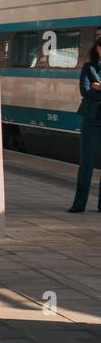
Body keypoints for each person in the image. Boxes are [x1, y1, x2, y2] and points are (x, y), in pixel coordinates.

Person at [69, 35, 101, 212]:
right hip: (91, 118)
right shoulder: (89, 68)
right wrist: (94, 88)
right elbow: (86, 91)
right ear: (97, 49)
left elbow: (93, 89)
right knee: (86, 162)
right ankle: (79, 203)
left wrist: (99, 87)